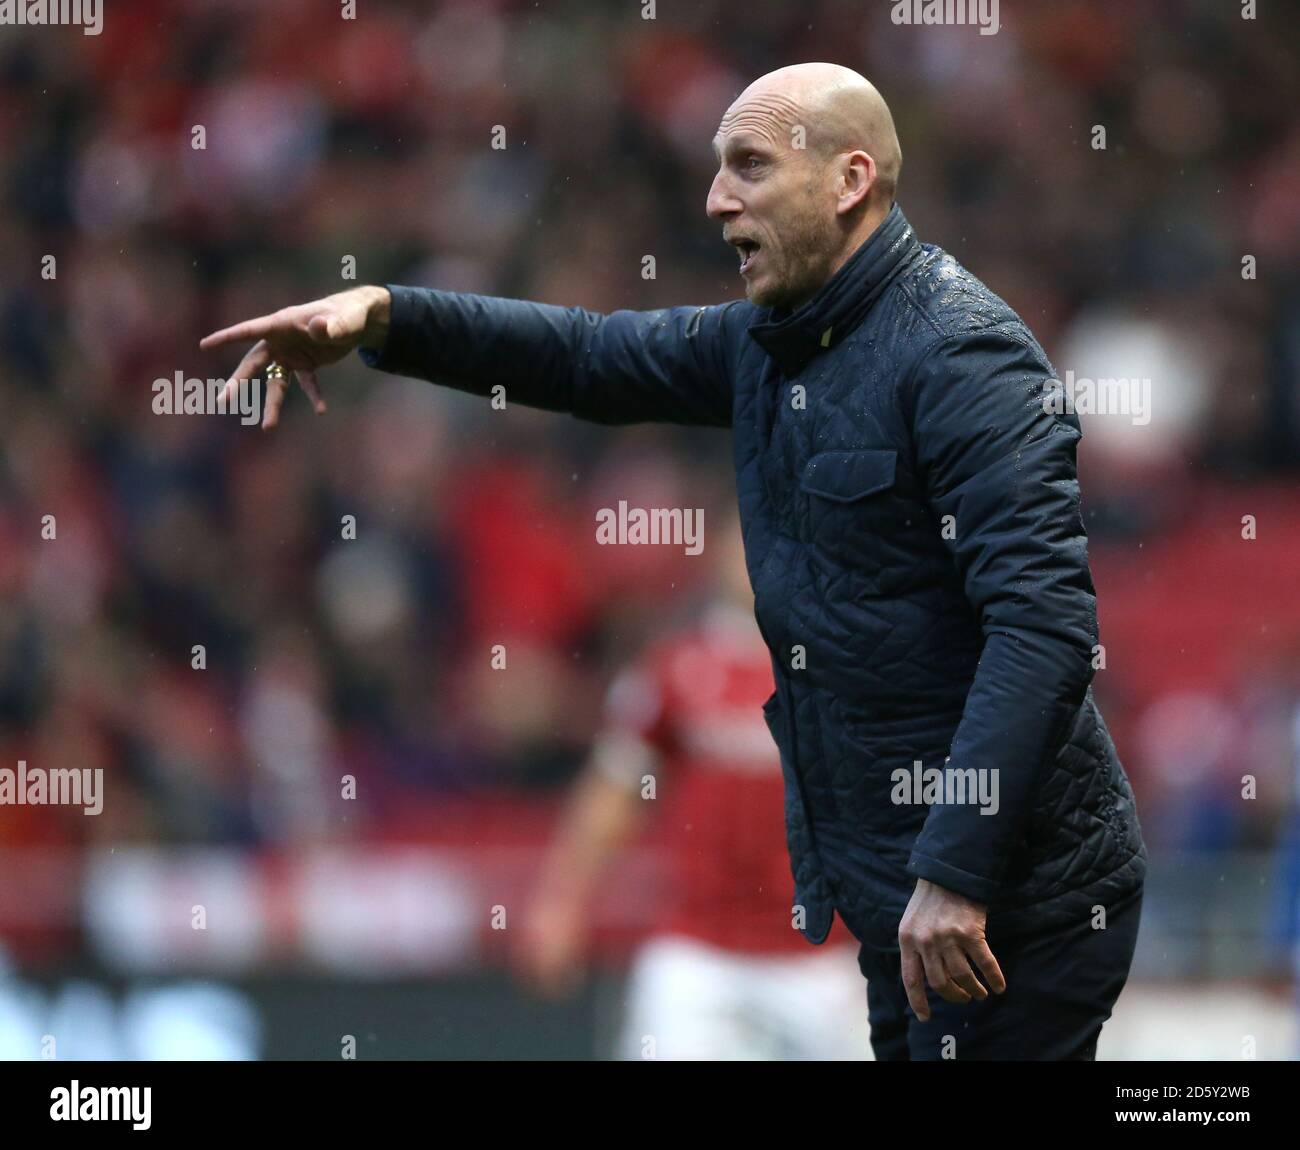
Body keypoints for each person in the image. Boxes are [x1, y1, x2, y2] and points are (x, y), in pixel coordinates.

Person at [201, 61, 1147, 1060]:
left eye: (747, 166)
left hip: (1009, 901)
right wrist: (385, 317)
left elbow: (1043, 628)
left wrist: (958, 864)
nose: (714, 197)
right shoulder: (775, 346)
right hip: (901, 900)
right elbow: (585, 357)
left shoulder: (964, 359)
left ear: (848, 180)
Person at [515, 518, 868, 1060]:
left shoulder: (850, 669)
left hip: (823, 956)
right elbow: (613, 791)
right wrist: (561, 902)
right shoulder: (674, 670)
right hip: (699, 953)